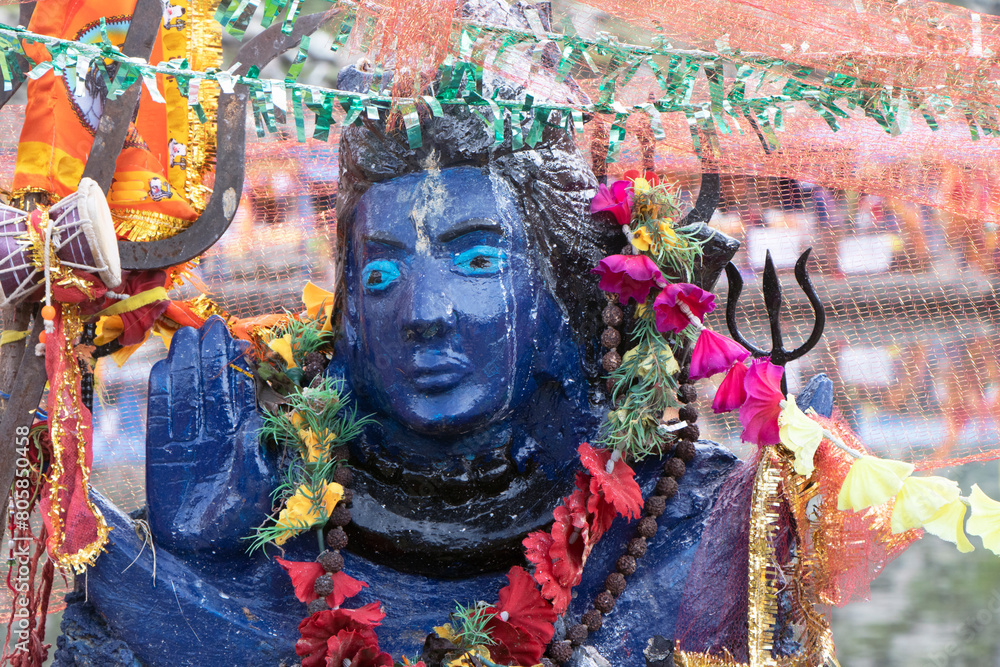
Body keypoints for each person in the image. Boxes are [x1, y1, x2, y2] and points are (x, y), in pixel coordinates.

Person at [65, 35, 748, 667]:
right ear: (350, 324)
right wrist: (195, 565)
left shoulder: (701, 528)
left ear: (559, 293)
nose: (423, 312)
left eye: (479, 259)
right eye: (381, 275)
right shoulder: (269, 527)